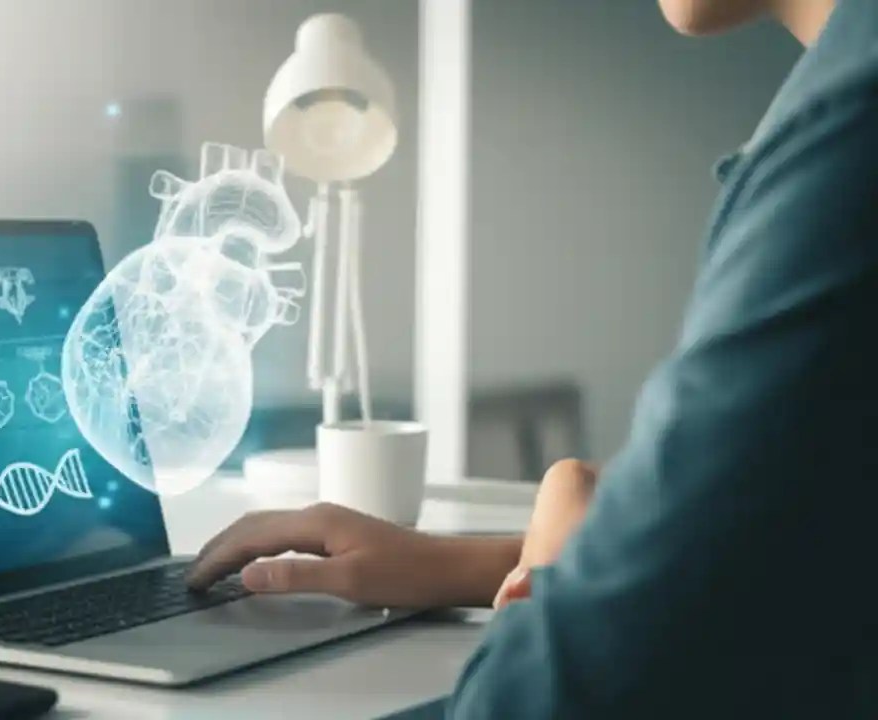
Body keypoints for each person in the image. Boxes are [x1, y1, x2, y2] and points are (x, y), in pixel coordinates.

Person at [187, 0, 878, 715]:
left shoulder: (851, 139)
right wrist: (451, 564)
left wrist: (541, 591)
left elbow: (540, 700)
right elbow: (807, 531)